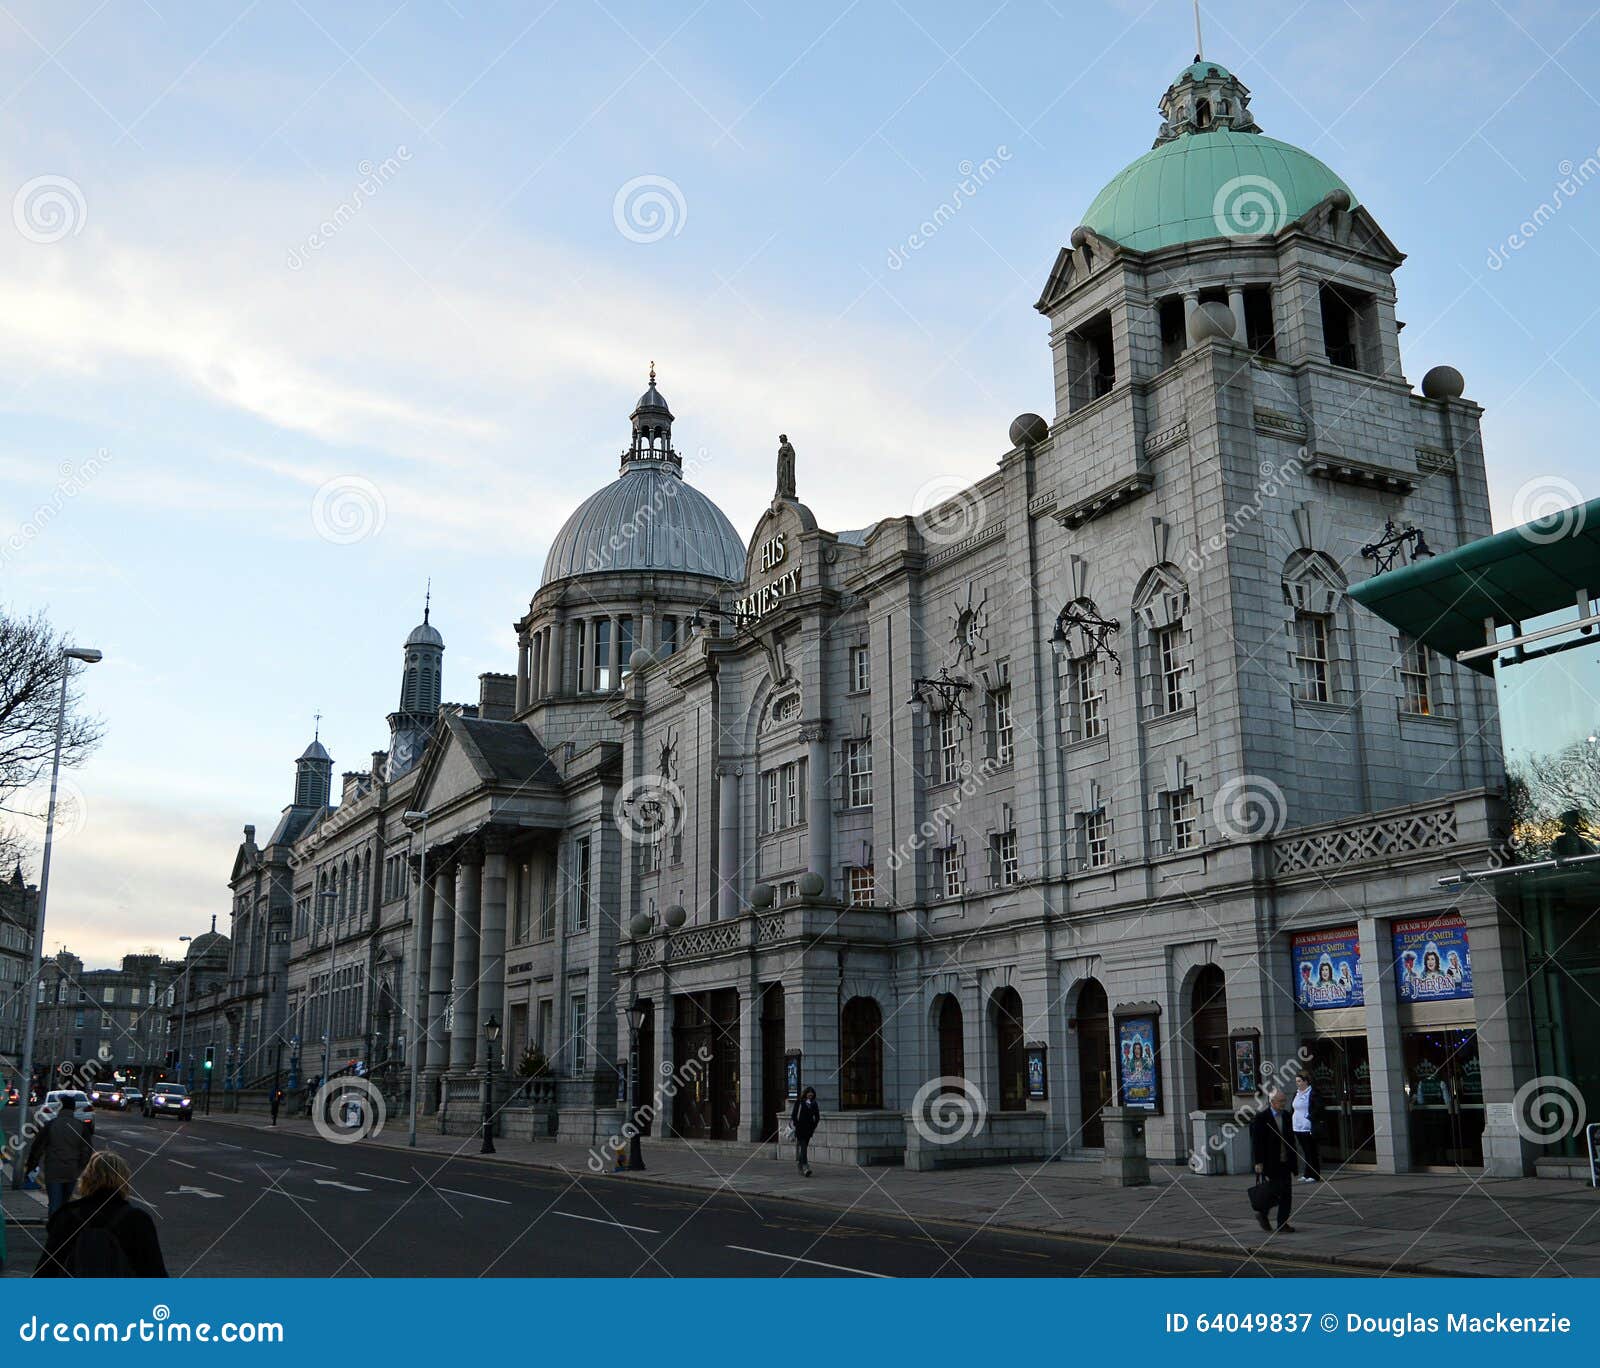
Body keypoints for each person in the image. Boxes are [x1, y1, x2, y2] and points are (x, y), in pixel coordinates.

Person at [34, 1151, 166, 1278]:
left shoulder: (67, 1216)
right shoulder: (137, 1219)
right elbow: (155, 1272)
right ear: (124, 1181)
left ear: (86, 1179)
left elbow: (46, 1270)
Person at [25, 1096, 93, 1216]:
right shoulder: (81, 1126)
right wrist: (80, 1168)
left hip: (53, 1169)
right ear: (74, 1108)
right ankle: (63, 1231)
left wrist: (31, 1166)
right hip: (72, 1170)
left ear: (60, 1107)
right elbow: (87, 1151)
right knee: (65, 1203)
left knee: (54, 1204)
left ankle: (54, 1230)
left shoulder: (51, 1125)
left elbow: (37, 1148)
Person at [1249, 1087, 1299, 1234]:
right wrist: (1258, 1162)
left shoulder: (1287, 1116)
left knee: (1287, 1193)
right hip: (1271, 1161)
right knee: (1274, 1192)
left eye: (1284, 1101)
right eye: (1280, 1101)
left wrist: (1294, 1161)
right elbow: (1257, 1142)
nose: (1283, 1103)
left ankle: (1282, 1224)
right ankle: (1263, 1214)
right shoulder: (1262, 1118)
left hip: (1286, 1161)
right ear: (1272, 1102)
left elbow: (1291, 1139)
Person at [1291, 1072, 1321, 1183]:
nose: (1297, 1084)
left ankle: (1314, 1174)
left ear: (1306, 1081)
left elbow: (1318, 1107)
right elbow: (1293, 1108)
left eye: (1299, 1081)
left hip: (1307, 1126)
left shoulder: (1312, 1093)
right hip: (1297, 1126)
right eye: (1296, 1081)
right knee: (1304, 1151)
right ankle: (1307, 1173)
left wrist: (1309, 1117)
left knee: (1311, 1151)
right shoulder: (1297, 1093)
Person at [790, 1086, 820, 1177]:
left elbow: (817, 1117)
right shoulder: (799, 1102)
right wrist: (796, 1125)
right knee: (803, 1147)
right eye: (809, 1092)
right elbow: (794, 1115)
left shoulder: (814, 1103)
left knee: (804, 1148)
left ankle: (800, 1164)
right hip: (800, 1129)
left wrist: (813, 1126)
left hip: (808, 1130)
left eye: (812, 1092)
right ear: (805, 1093)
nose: (810, 1094)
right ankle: (806, 1167)